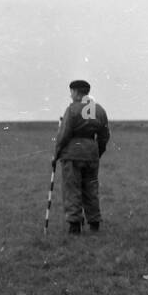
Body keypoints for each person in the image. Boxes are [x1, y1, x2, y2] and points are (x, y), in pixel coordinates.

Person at [54, 79, 111, 235]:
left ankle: (74, 225)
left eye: (71, 91)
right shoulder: (99, 110)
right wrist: (97, 152)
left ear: (76, 92)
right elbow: (105, 136)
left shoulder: (71, 109)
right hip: (92, 154)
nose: (70, 94)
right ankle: (94, 223)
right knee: (91, 189)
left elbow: (64, 134)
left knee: (72, 189)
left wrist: (56, 153)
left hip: (72, 154)